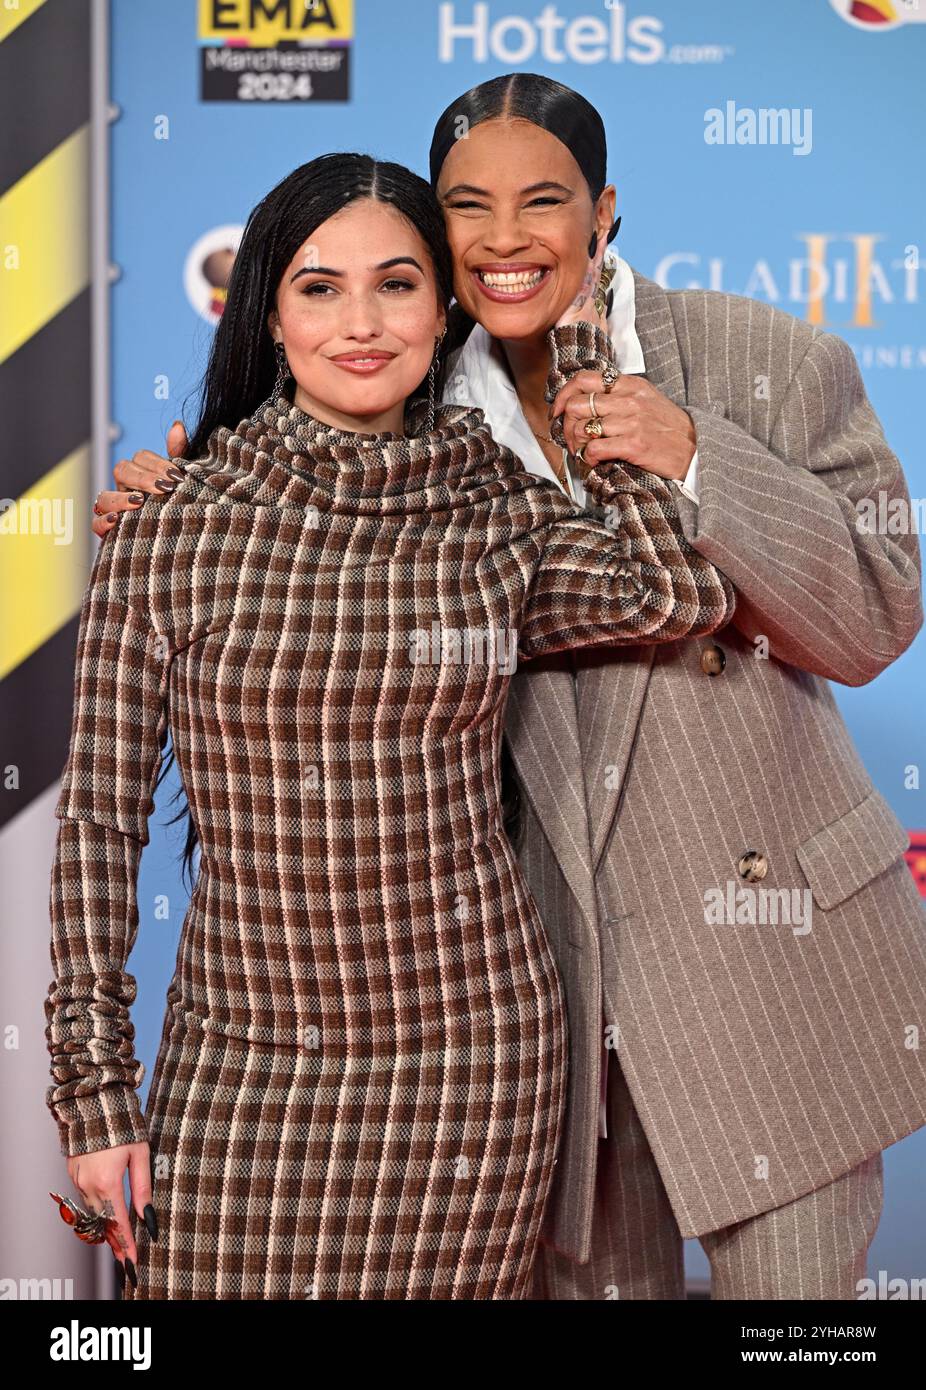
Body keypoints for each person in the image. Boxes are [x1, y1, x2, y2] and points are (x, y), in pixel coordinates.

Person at [92, 74, 926, 1301]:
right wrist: (168, 500)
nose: (502, 239)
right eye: (464, 208)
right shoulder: (403, 401)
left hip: (765, 984)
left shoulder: (765, 356)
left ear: (603, 216)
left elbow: (871, 615)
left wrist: (690, 453)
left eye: (542, 202)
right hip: (537, 1020)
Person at [46, 152, 734, 1300]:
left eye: (397, 284)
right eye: (319, 288)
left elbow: (670, 593)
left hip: (474, 1060)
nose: (359, 324)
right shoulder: (174, 530)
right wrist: (93, 1091)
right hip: (245, 1070)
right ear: (266, 311)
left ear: (444, 308)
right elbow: (97, 831)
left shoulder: (494, 514)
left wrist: (580, 357)